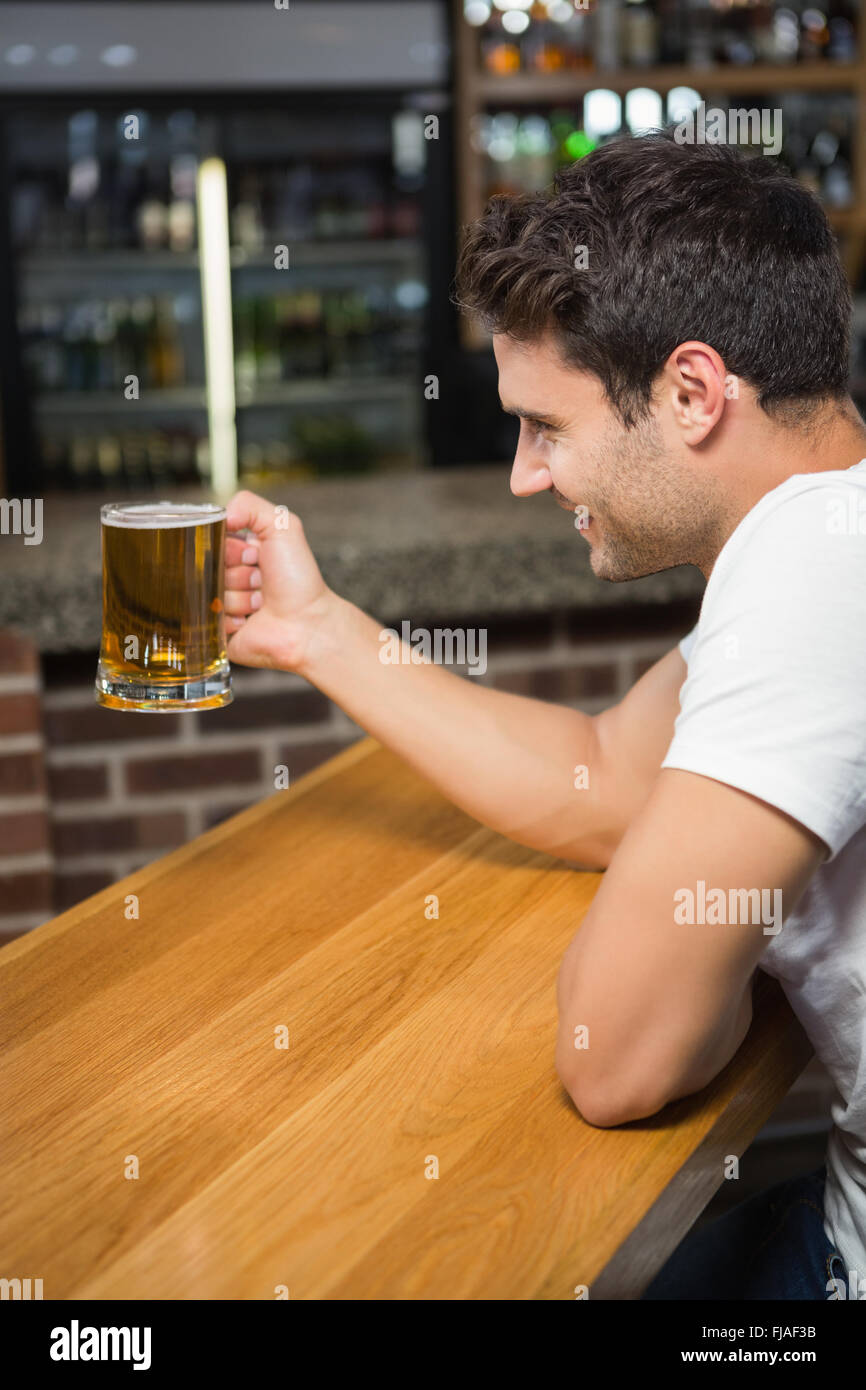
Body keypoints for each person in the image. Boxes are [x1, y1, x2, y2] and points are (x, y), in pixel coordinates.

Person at [220, 129, 866, 1300]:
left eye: (547, 426)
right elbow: (601, 777)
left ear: (689, 392)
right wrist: (317, 633)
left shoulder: (815, 578)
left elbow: (613, 1060)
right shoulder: (829, 529)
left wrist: (710, 973)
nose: (524, 474)